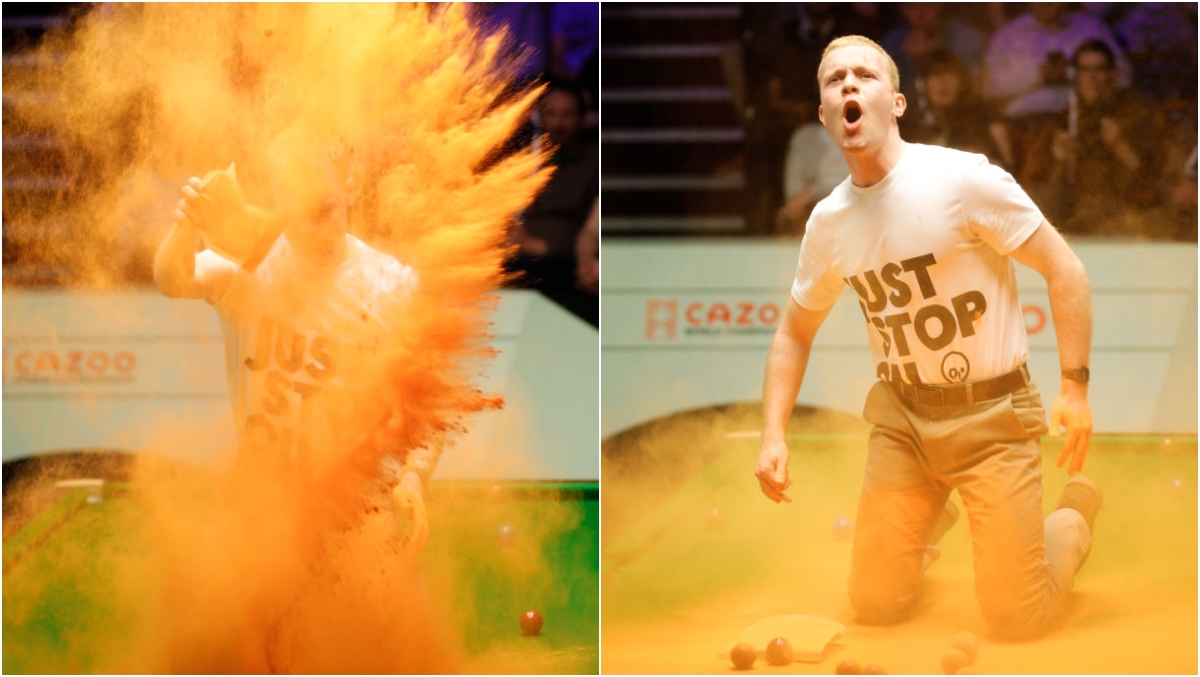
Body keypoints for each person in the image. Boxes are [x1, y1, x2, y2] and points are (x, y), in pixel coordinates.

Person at [755, 35, 1101, 639]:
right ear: (823, 113)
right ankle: (928, 515)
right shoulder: (829, 221)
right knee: (876, 604)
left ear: (898, 103)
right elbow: (794, 330)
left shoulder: (962, 179)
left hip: (992, 420)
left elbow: (1064, 268)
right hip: (905, 424)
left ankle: (1073, 517)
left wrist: (1075, 388)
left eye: (864, 75)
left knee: (1016, 617)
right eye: (835, 80)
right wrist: (773, 434)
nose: (849, 86)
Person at [152, 129, 440, 553]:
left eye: (324, 210)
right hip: (261, 509)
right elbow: (172, 280)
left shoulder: (393, 285)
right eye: (297, 212)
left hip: (359, 509)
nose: (310, 228)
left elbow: (426, 405)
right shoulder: (250, 262)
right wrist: (185, 228)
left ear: (351, 186)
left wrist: (413, 476)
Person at [1021, 40, 1167, 237]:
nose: (1092, 77)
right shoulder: (1062, 122)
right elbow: (1041, 200)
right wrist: (1059, 161)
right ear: (1075, 76)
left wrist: (1119, 146)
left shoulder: (1136, 112)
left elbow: (1156, 182)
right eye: (1084, 70)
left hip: (1128, 219)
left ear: (1112, 74)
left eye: (1099, 69)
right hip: (1074, 221)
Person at [506, 79, 599, 327]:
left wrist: (541, 247)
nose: (558, 124)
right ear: (539, 119)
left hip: (566, 270)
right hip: (521, 267)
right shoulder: (525, 161)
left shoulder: (595, 163)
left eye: (567, 115)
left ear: (581, 119)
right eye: (551, 114)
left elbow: (591, 233)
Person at [900, 49, 1013, 168]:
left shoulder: (986, 116)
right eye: (934, 75)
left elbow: (1006, 167)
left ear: (962, 81)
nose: (943, 82)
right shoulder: (909, 124)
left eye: (949, 74)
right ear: (922, 85)